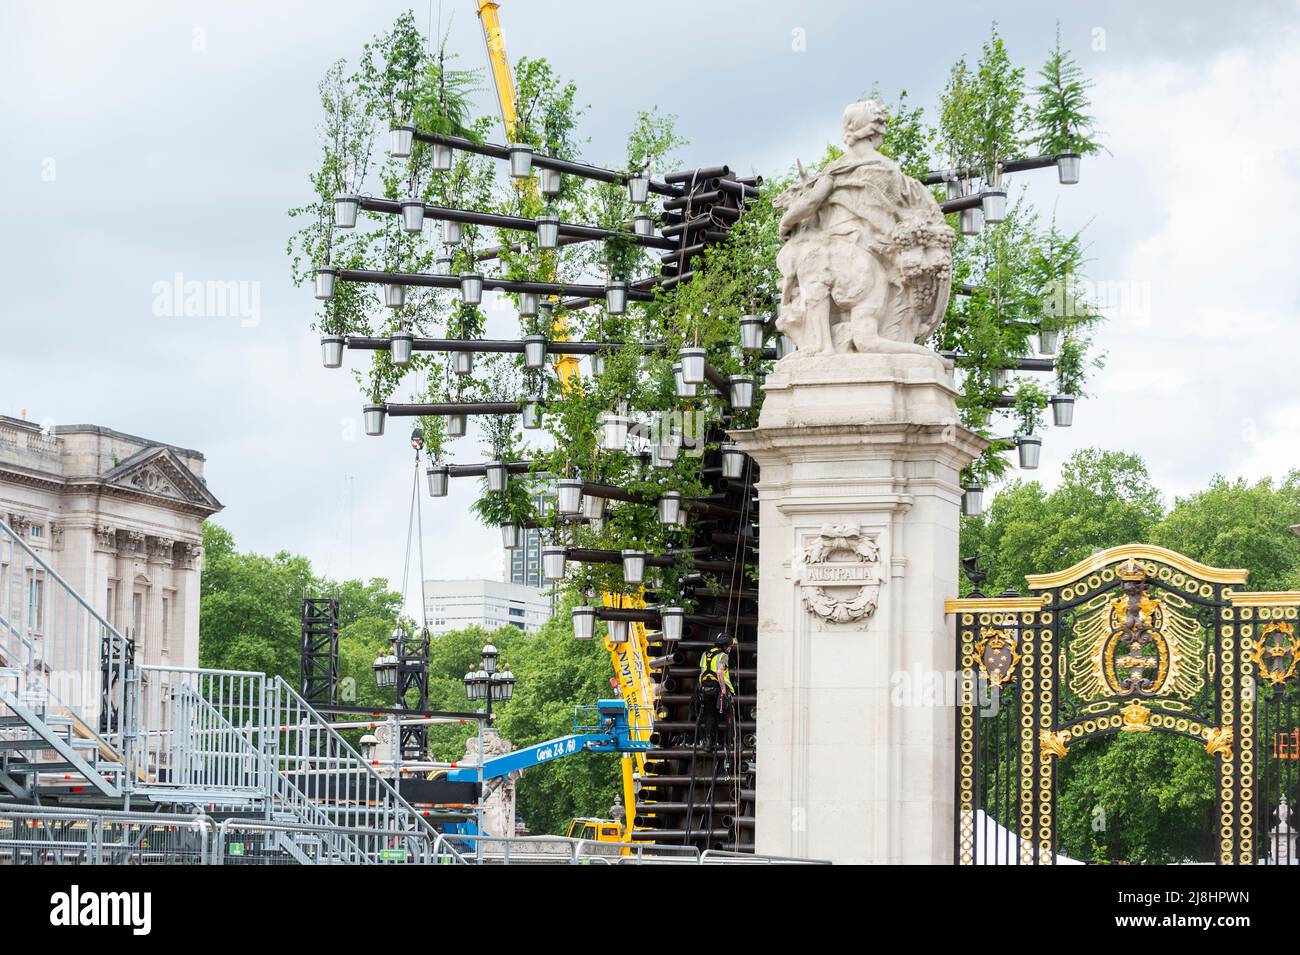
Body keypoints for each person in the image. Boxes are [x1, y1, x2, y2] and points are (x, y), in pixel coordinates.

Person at [696, 632, 735, 751]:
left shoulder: (705, 654)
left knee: (709, 714)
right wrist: (723, 688)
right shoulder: (723, 655)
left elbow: (702, 670)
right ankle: (729, 742)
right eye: (729, 645)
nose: (730, 648)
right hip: (717, 688)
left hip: (705, 688)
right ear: (724, 645)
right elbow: (720, 672)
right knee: (728, 713)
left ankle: (708, 742)